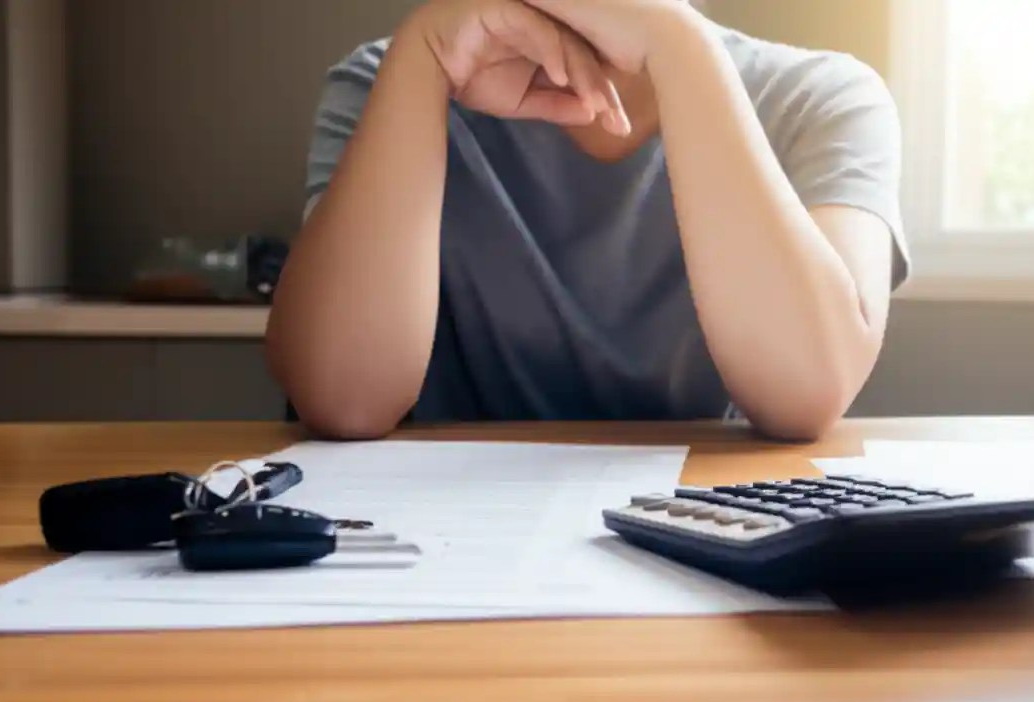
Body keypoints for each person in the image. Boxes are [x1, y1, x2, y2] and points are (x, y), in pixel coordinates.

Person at [266, 0, 909, 441]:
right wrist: (424, 58)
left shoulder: (822, 99)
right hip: (447, 553)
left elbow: (808, 391)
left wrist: (677, 45)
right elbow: (342, 397)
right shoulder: (387, 80)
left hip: (707, 549)